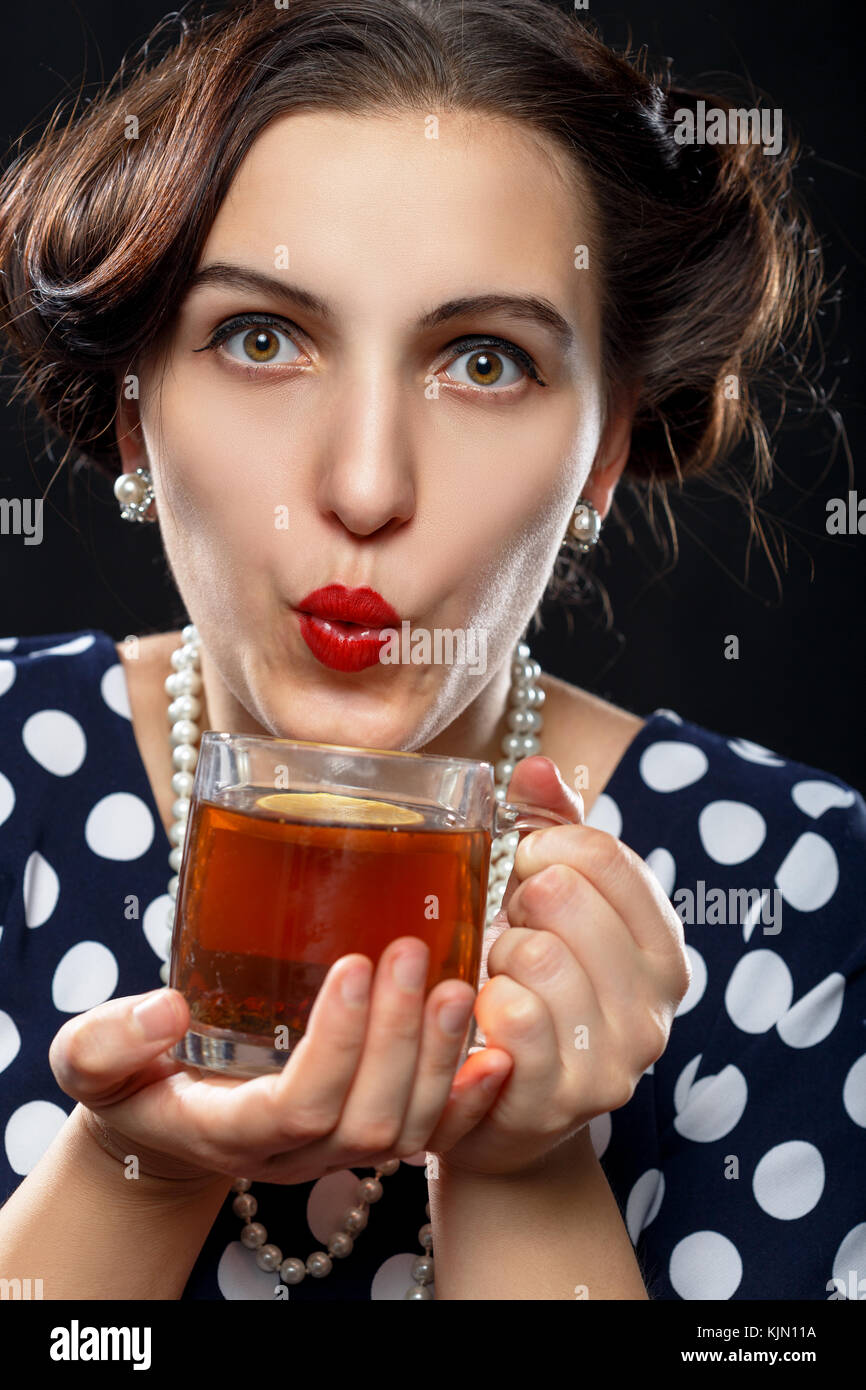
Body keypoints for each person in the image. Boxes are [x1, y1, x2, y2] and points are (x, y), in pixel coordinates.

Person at [0, 0, 862, 1302]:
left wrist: (529, 1165)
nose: (362, 484)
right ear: (134, 418)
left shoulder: (808, 902)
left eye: (483, 360)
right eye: (261, 338)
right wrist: (136, 1168)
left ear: (607, 450)